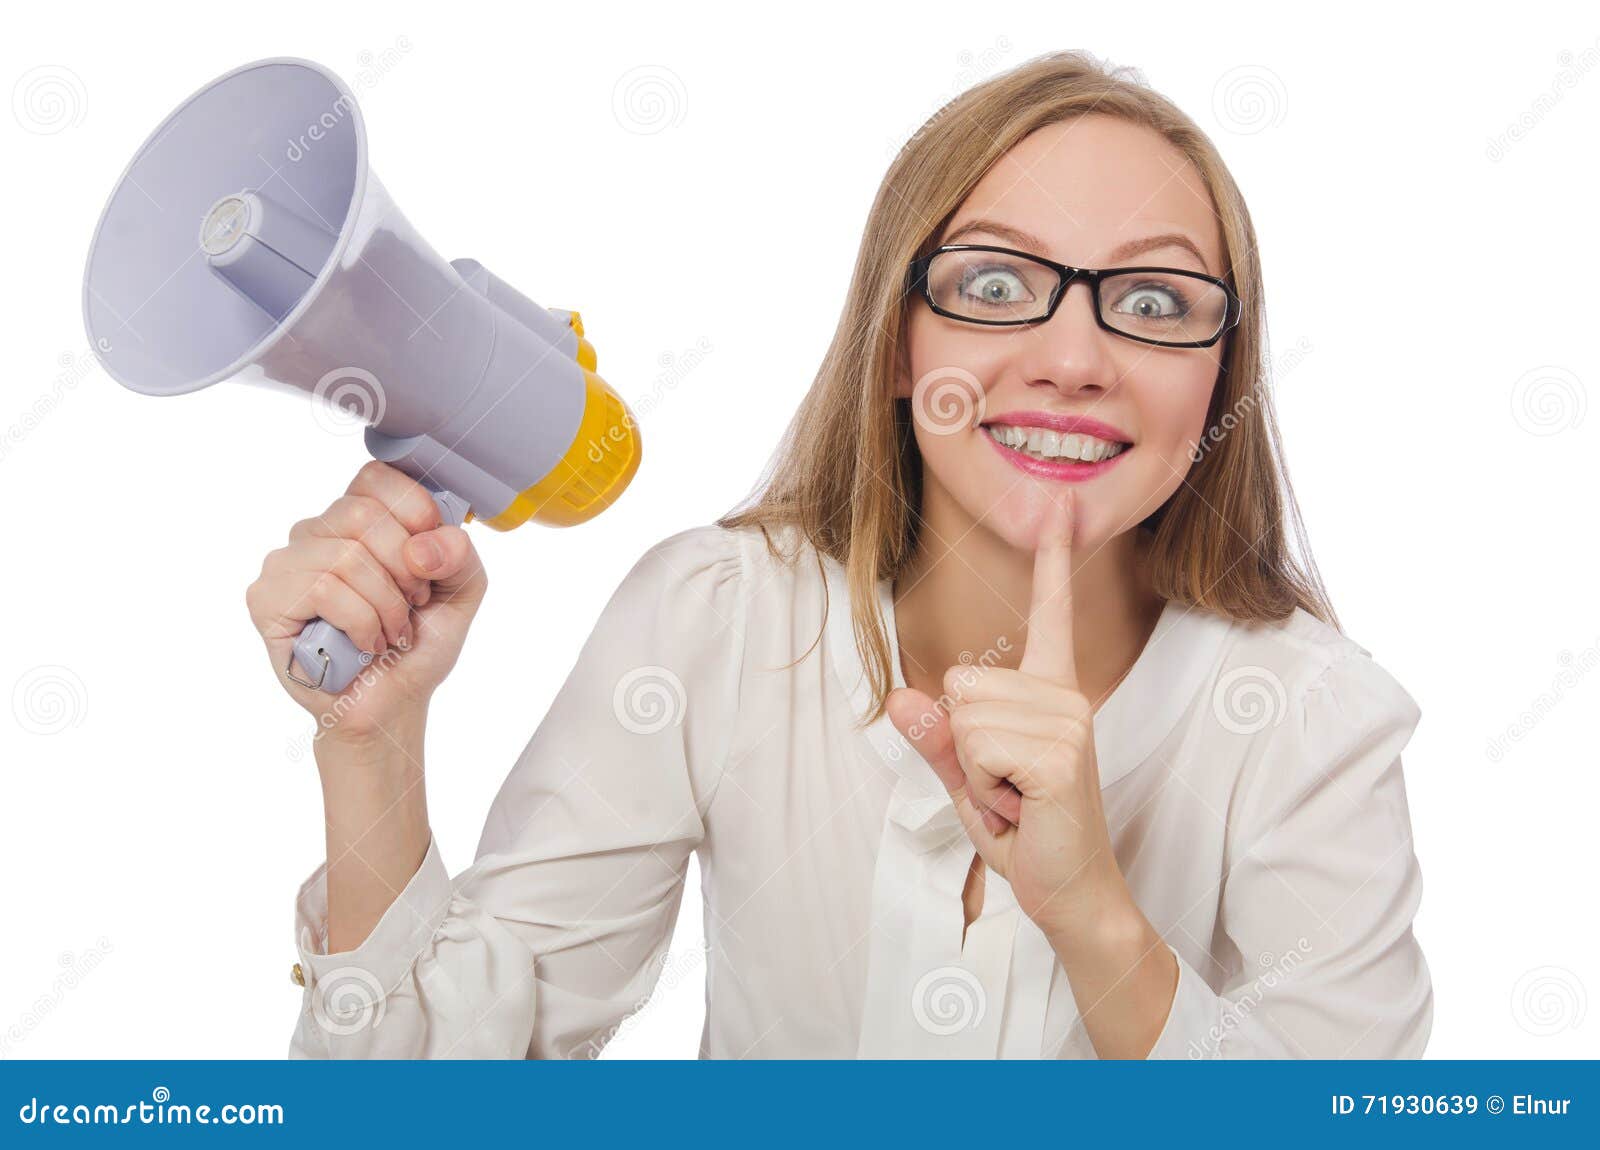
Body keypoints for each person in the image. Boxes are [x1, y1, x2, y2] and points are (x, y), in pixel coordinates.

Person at [247, 50, 1432, 1059]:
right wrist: (371, 748)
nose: (1074, 357)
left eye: (1158, 303)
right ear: (899, 344)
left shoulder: (1312, 721)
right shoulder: (713, 621)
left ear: (1218, 370)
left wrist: (1093, 915)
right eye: (996, 283)